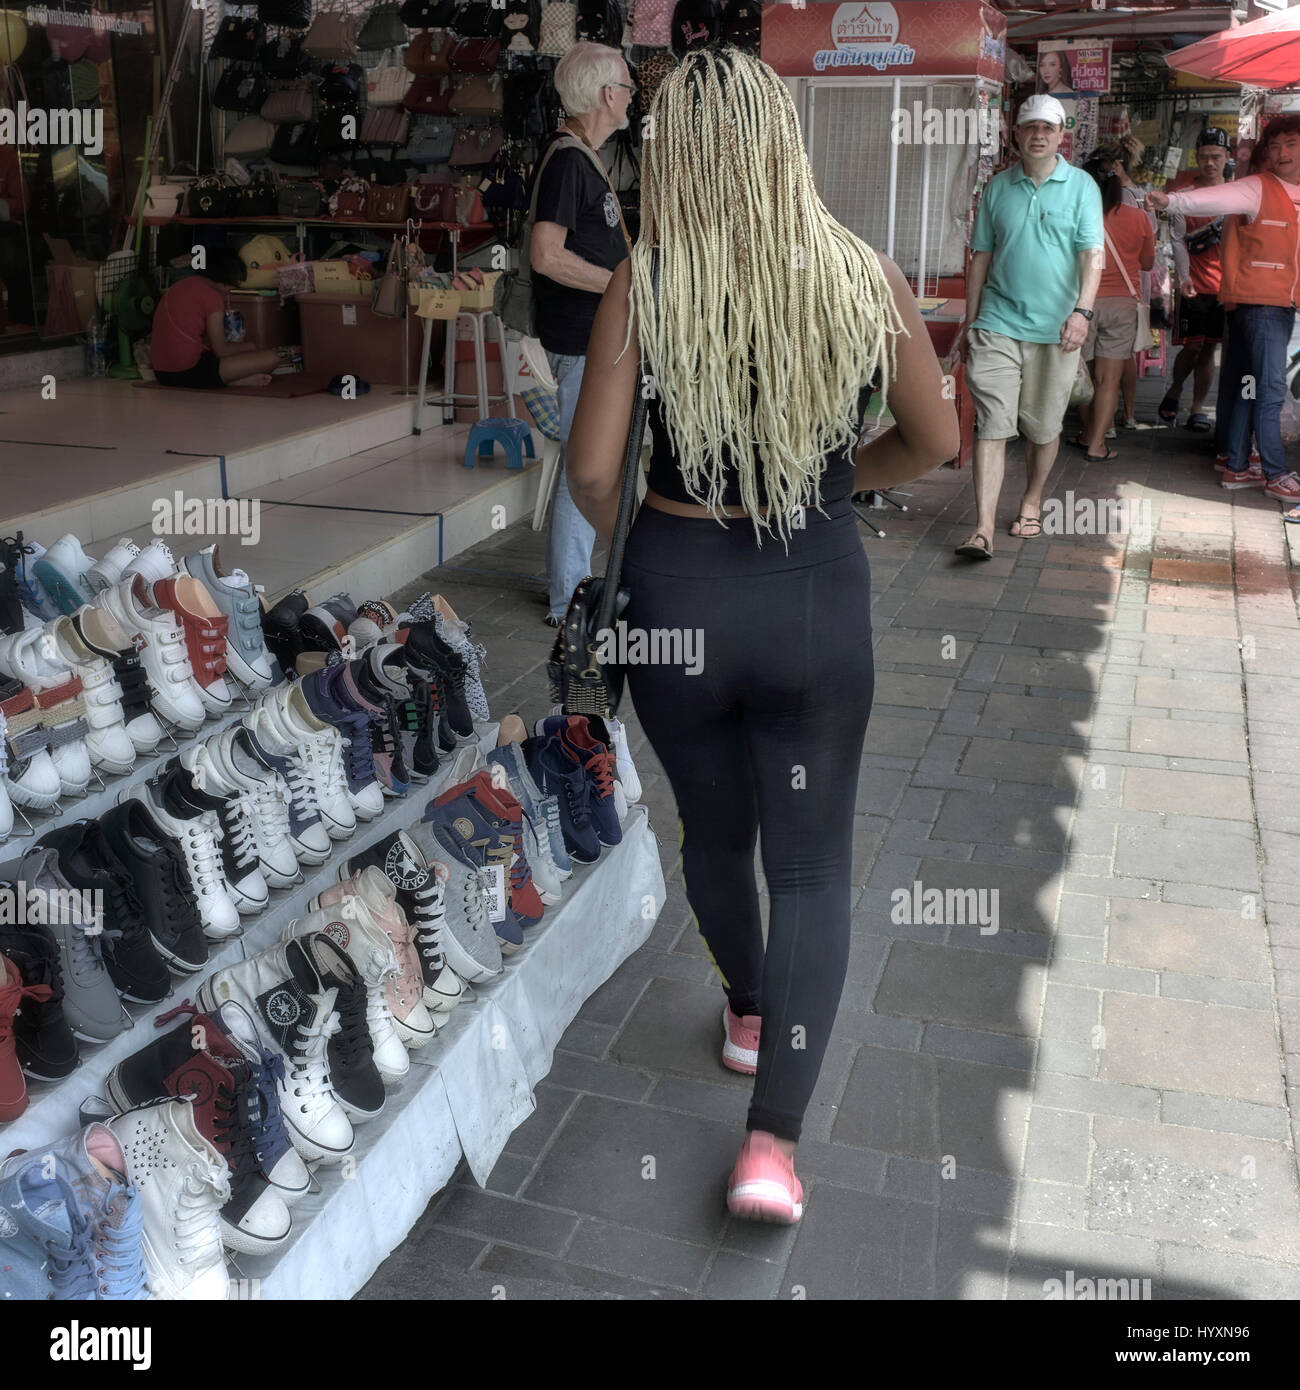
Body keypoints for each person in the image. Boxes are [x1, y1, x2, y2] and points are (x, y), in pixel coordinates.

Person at [565, 46, 959, 1225]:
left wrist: (632, 532)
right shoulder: (859, 273)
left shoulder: (647, 280)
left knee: (713, 829)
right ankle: (771, 1149)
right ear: (785, 145)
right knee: (814, 864)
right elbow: (934, 441)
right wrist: (834, 484)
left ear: (674, 157)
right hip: (811, 589)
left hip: (676, 589)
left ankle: (744, 1006)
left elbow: (590, 471)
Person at [955, 93, 1103, 558]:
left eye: (1048, 128)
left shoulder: (1081, 187)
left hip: (1057, 330)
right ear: (1015, 135)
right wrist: (971, 320)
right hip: (998, 323)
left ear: (1062, 137)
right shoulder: (998, 188)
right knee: (993, 424)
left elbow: (1091, 257)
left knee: (1043, 428)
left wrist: (1082, 314)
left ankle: (1033, 501)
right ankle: (982, 528)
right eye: (1029, 128)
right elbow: (981, 258)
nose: (1038, 136)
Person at [529, 40, 634, 629]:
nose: (630, 98)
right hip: (578, 340)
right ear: (604, 94)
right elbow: (547, 256)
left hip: (591, 338)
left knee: (593, 462)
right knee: (582, 465)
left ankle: (579, 583)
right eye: (626, 87)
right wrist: (624, 286)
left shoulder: (584, 158)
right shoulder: (569, 160)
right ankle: (568, 596)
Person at [1147, 114, 1300, 502]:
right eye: (1277, 146)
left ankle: (1235, 463)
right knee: (1267, 386)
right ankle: (1275, 471)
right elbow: (1211, 197)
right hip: (1260, 305)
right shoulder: (1257, 188)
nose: (1282, 153)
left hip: (1260, 305)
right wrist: (1172, 200)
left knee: (1246, 384)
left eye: (1291, 145)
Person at [1074, 154, 1154, 461]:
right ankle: (1097, 444)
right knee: (1109, 380)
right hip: (1121, 304)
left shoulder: (1077, 216)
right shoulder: (1139, 219)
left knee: (1083, 374)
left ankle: (1085, 433)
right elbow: (1147, 263)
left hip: (1082, 302)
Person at [1160, 128, 1230, 431]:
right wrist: (1184, 277)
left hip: (1226, 289)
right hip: (1193, 287)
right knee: (1191, 347)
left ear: (1227, 157)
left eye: (1216, 156)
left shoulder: (1238, 195)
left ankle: (1197, 409)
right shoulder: (1184, 198)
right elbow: (1177, 241)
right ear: (1197, 158)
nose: (1210, 163)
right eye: (1204, 157)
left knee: (1209, 349)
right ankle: (1175, 389)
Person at [150, 248, 282, 388]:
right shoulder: (212, 296)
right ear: (226, 278)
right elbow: (221, 350)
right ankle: (233, 382)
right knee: (271, 358)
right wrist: (250, 346)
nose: (228, 293)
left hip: (161, 373)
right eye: (230, 288)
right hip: (188, 372)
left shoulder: (180, 285)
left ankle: (232, 381)